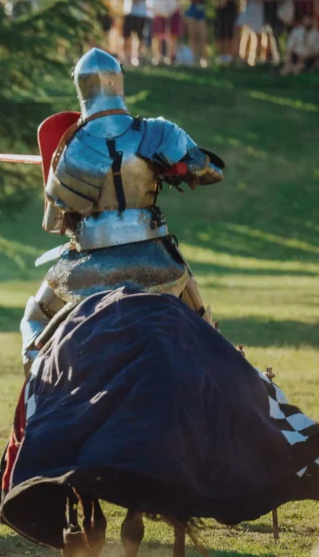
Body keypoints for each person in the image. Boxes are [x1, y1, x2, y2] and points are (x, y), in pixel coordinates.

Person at [18, 48, 222, 375]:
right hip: (156, 260)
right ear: (118, 83)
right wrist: (177, 168)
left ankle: (35, 396)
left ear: (82, 89)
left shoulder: (75, 148)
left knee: (35, 319)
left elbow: (57, 219)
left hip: (89, 266)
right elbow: (210, 171)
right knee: (205, 332)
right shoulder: (157, 133)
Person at [118, 0, 150, 66]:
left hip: (141, 13)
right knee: (125, 36)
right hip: (128, 12)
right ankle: (125, 56)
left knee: (139, 36)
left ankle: (136, 56)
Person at [150, 0, 182, 65]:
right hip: (161, 11)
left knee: (172, 34)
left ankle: (170, 56)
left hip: (173, 10)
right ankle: (157, 56)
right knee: (158, 34)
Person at [237, 0, 266, 66]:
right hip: (246, 10)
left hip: (257, 10)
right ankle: (242, 57)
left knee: (255, 34)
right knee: (245, 33)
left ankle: (253, 57)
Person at [212, 0, 238, 65]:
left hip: (231, 10)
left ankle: (229, 55)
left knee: (230, 33)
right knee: (220, 32)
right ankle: (221, 55)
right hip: (220, 11)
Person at [184, 0, 209, 67]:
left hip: (201, 14)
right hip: (191, 13)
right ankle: (194, 57)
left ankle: (204, 58)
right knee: (192, 36)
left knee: (203, 36)